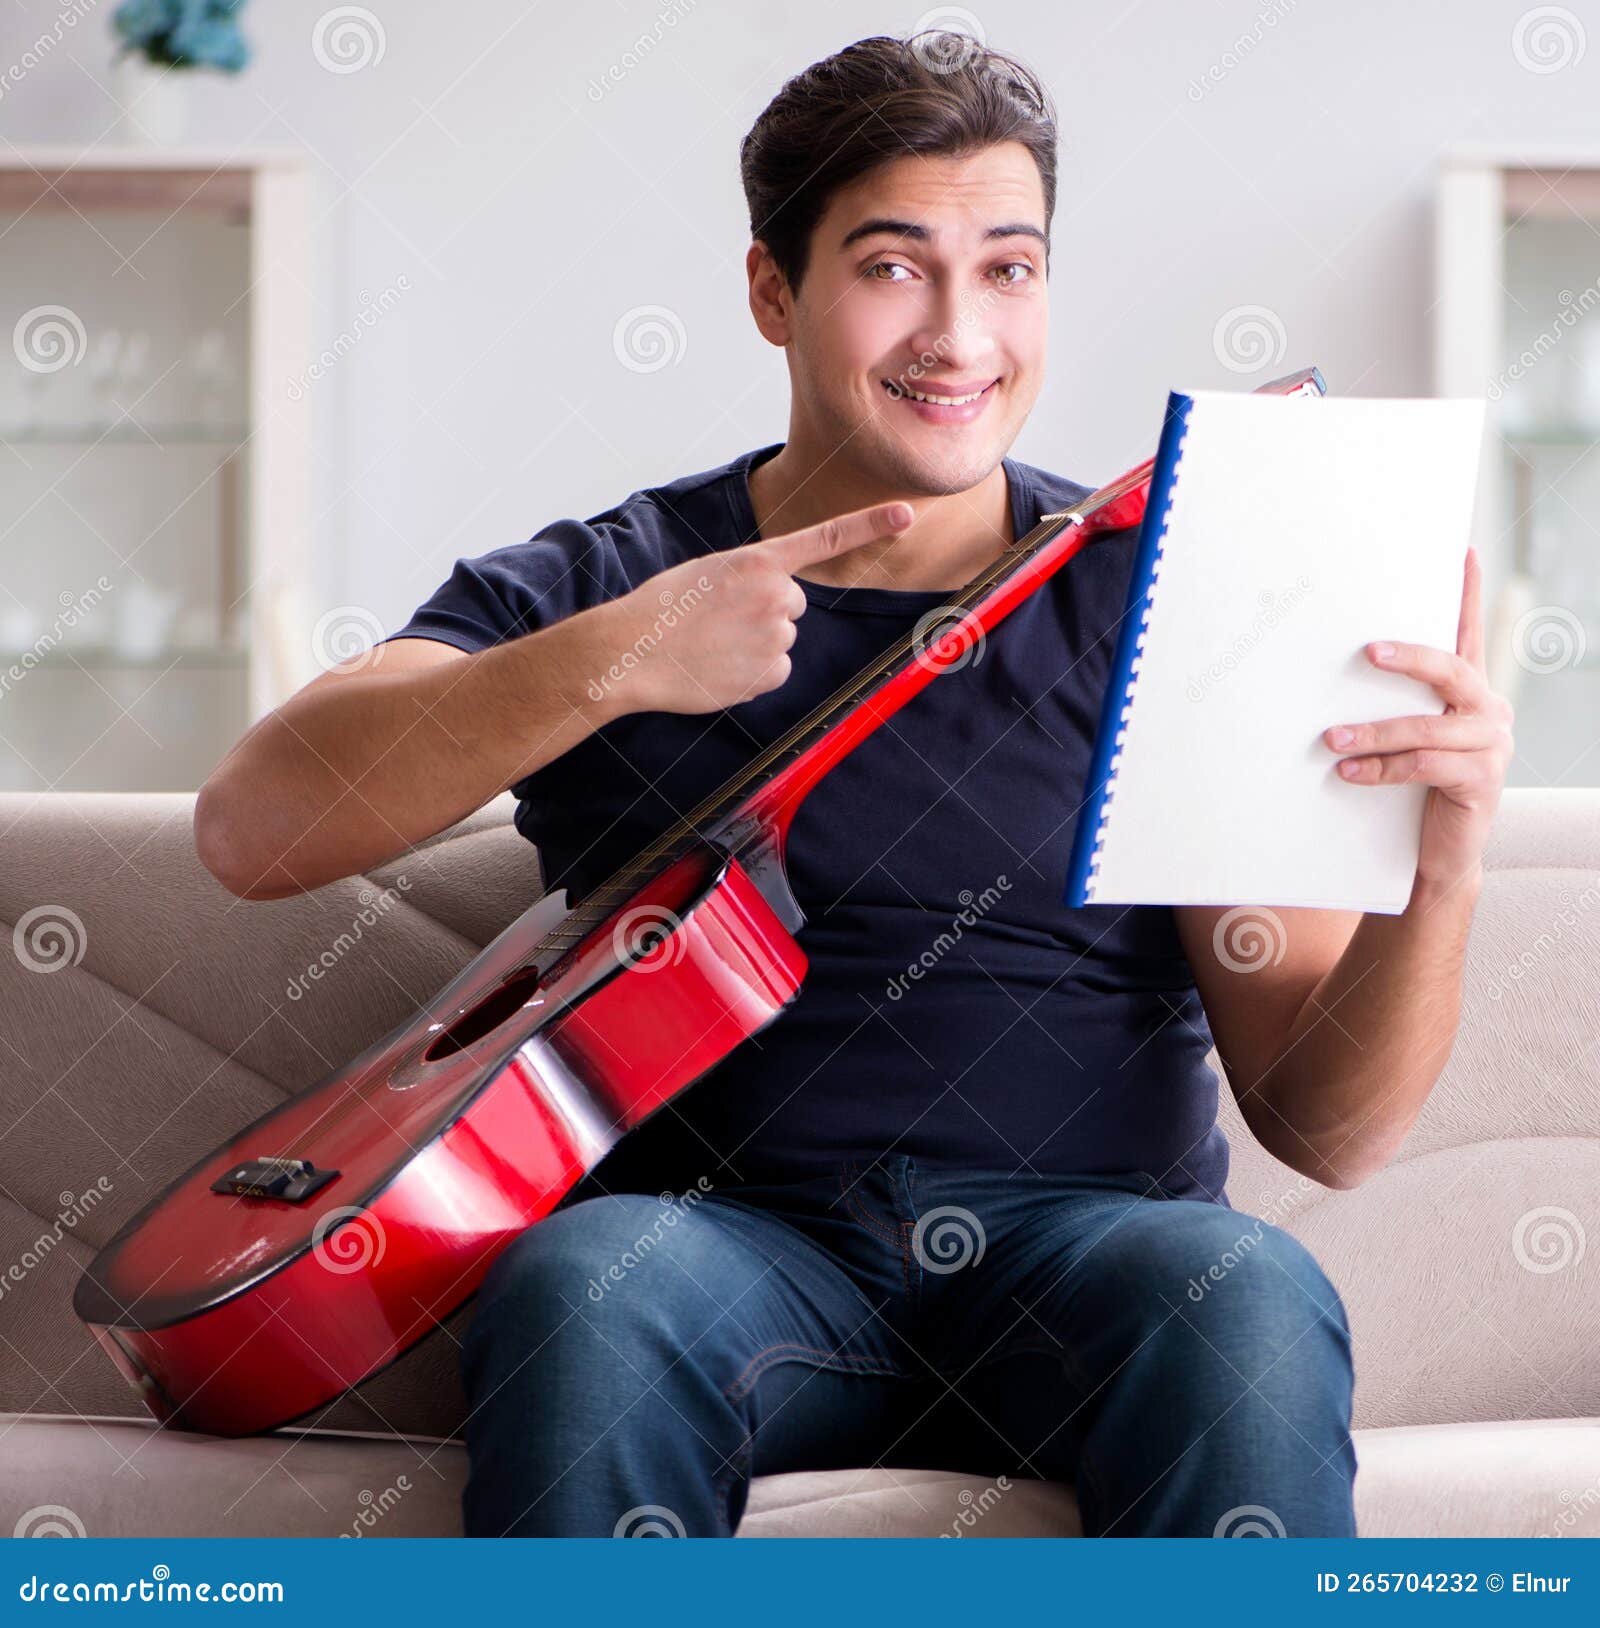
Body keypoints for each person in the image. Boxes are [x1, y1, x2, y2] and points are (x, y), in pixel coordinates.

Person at [194, 33, 1513, 1538]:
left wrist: (1448, 860)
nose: (960, 335)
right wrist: (618, 661)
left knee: (1248, 1293)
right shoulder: (612, 583)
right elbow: (252, 827)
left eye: (1009, 271)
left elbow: (1327, 1130)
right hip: (722, 1257)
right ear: (774, 291)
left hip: (1085, 1257)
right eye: (894, 266)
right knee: (588, 1284)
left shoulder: (1176, 595)